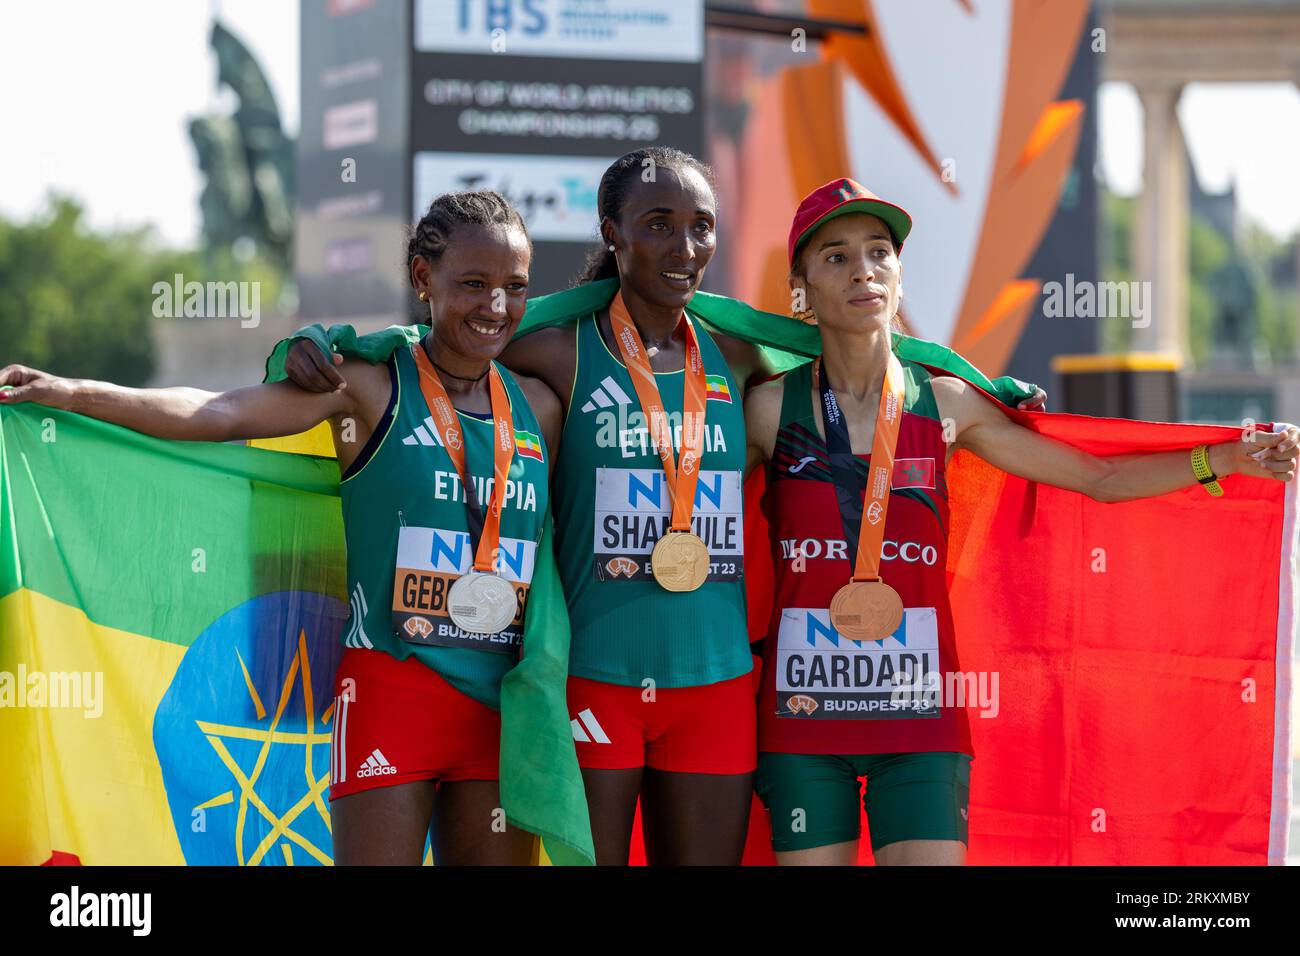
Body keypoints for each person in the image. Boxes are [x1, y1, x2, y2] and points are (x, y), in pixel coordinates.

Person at [743, 178, 1300, 865]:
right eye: (835, 256)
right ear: (800, 286)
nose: (864, 269)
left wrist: (1226, 458)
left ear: (898, 272)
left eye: (879, 251)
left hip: (921, 720)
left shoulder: (947, 403)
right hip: (803, 722)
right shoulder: (768, 410)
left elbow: (1100, 478)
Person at [0, 191, 564, 866]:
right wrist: (72, 394)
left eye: (515, 288)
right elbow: (219, 413)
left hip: (505, 710)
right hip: (393, 695)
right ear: (423, 279)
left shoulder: (538, 409)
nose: (495, 307)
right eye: (474, 284)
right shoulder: (366, 385)